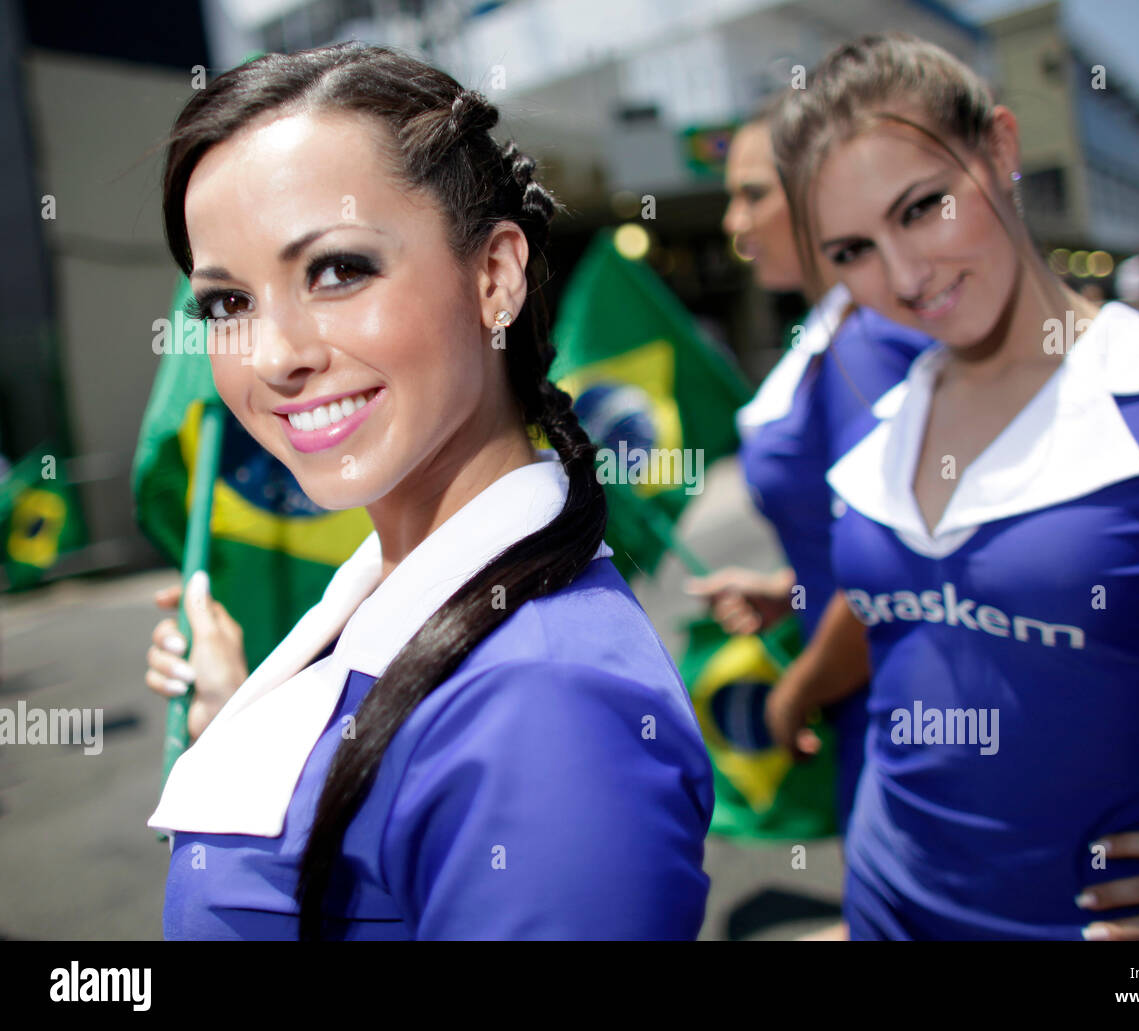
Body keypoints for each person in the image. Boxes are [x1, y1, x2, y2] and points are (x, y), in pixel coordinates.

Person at [143, 42, 713, 941]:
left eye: (337, 270)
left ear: (495, 277)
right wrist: (241, 706)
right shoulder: (396, 597)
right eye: (227, 304)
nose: (275, 355)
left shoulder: (552, 716)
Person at [767, 32, 1139, 940]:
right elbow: (917, 596)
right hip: (882, 908)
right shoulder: (888, 424)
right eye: (853, 249)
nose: (903, 277)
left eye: (925, 206)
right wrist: (796, 681)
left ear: (1001, 152)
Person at [689, 97, 930, 839]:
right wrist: (791, 590)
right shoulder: (836, 326)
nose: (734, 222)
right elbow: (862, 537)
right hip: (870, 689)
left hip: (904, 695)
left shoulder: (873, 336)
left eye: (753, 193)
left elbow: (903, 564)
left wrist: (796, 688)